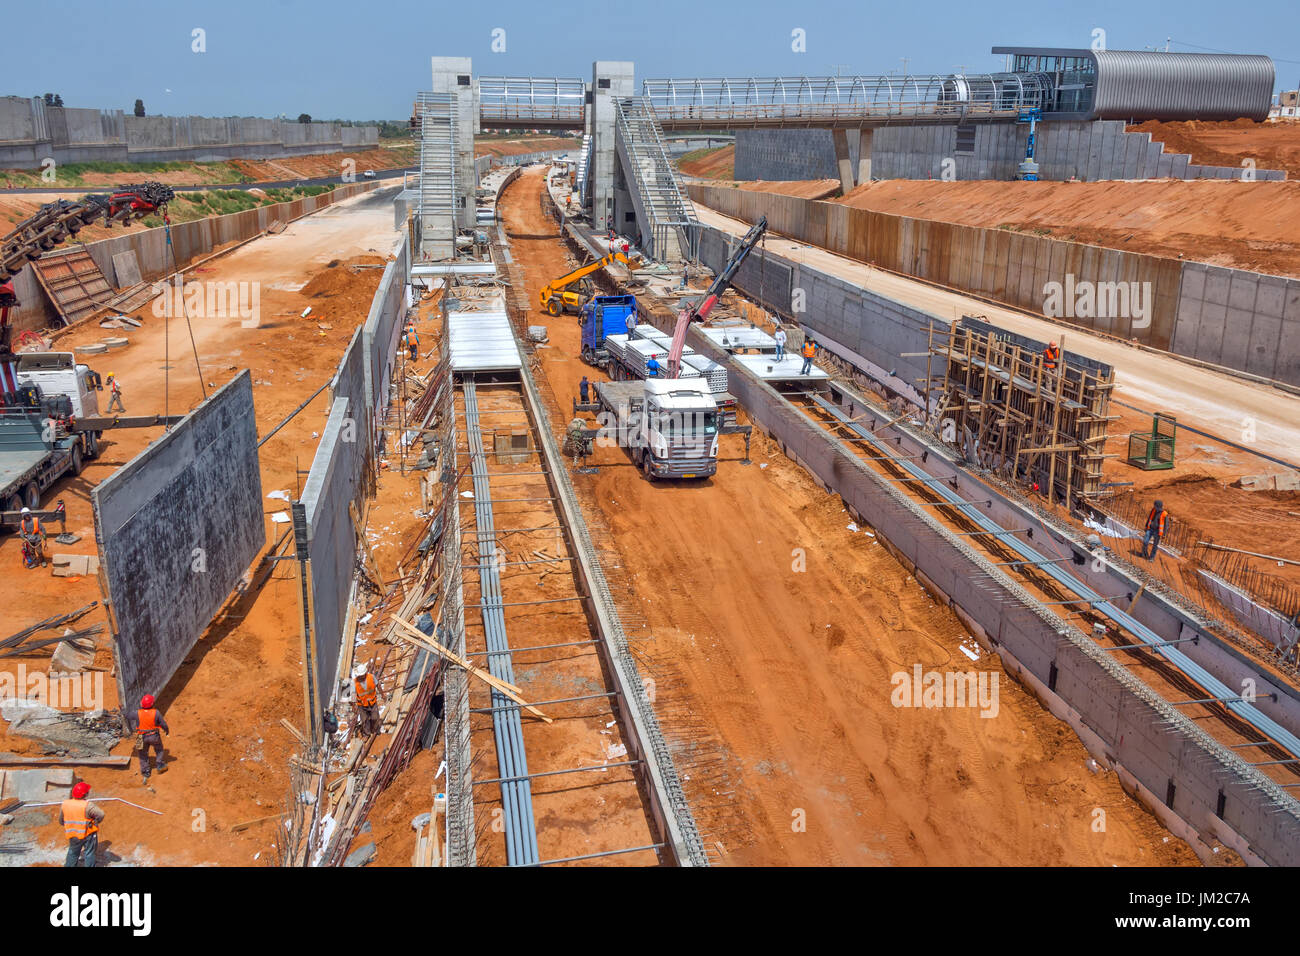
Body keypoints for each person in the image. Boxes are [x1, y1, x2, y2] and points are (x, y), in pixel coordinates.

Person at [61, 782, 104, 867]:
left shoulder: (65, 804)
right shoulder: (87, 805)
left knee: (73, 852)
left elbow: (61, 820)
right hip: (87, 834)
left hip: (73, 834)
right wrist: (96, 821)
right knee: (89, 853)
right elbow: (101, 814)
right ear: (85, 794)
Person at [129, 693, 169, 783]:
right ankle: (160, 765)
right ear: (152, 704)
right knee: (159, 749)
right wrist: (167, 730)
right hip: (154, 735)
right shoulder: (156, 712)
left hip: (140, 736)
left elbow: (127, 715)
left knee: (142, 754)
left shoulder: (137, 713)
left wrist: (122, 710)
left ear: (142, 704)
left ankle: (146, 771)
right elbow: (163, 724)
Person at [353, 663, 381, 736]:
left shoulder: (371, 677)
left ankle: (375, 730)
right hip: (361, 704)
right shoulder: (355, 682)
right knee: (364, 720)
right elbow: (353, 694)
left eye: (362, 675)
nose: (361, 677)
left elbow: (377, 685)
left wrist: (383, 695)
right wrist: (354, 706)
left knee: (375, 718)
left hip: (372, 702)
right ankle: (367, 733)